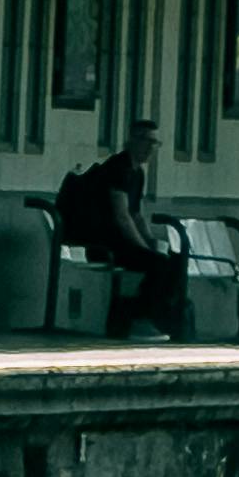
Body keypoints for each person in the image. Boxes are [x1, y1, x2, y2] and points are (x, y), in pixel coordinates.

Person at [59, 119, 187, 342]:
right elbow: (122, 216)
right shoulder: (118, 169)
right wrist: (143, 248)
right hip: (103, 244)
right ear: (131, 141)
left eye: (155, 143)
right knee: (158, 265)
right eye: (146, 141)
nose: (150, 148)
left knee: (175, 261)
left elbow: (136, 214)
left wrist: (151, 242)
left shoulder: (137, 173)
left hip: (118, 243)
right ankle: (138, 319)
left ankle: (159, 318)